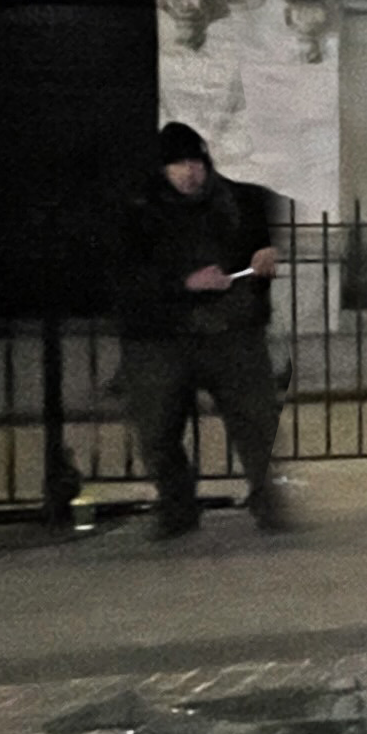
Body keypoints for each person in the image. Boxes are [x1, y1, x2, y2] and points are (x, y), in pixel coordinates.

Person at [116, 122, 290, 536]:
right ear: (163, 168)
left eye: (196, 162)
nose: (189, 173)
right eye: (179, 165)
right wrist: (184, 284)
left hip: (229, 329)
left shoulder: (237, 201)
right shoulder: (138, 209)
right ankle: (177, 505)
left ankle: (268, 501)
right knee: (158, 428)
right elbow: (127, 279)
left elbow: (256, 253)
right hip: (162, 335)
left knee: (255, 421)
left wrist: (262, 261)